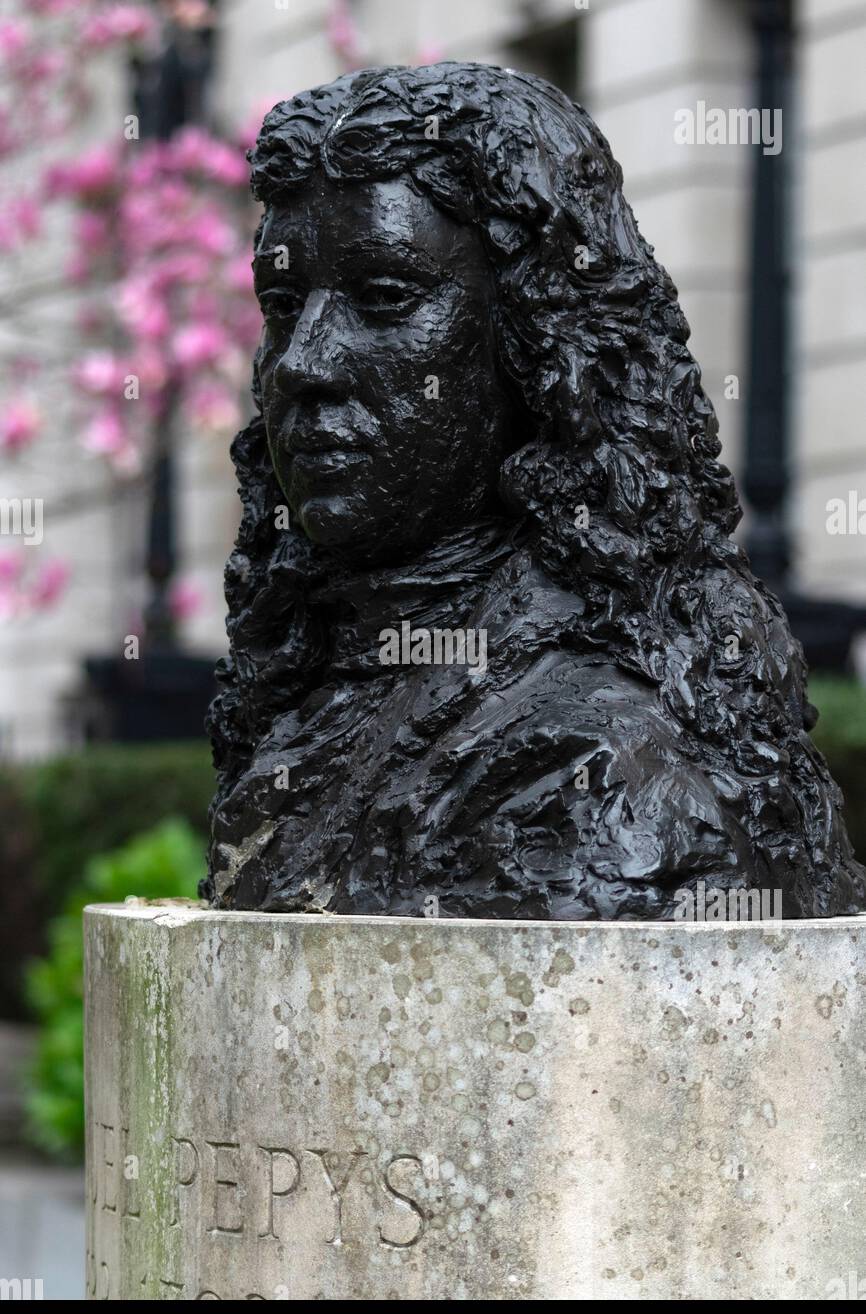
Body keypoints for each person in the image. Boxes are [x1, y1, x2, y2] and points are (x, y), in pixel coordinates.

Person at [203, 63, 866, 920]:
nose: (305, 363)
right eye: (284, 305)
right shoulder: (314, 692)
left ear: (539, 343)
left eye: (386, 296)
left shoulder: (592, 762)